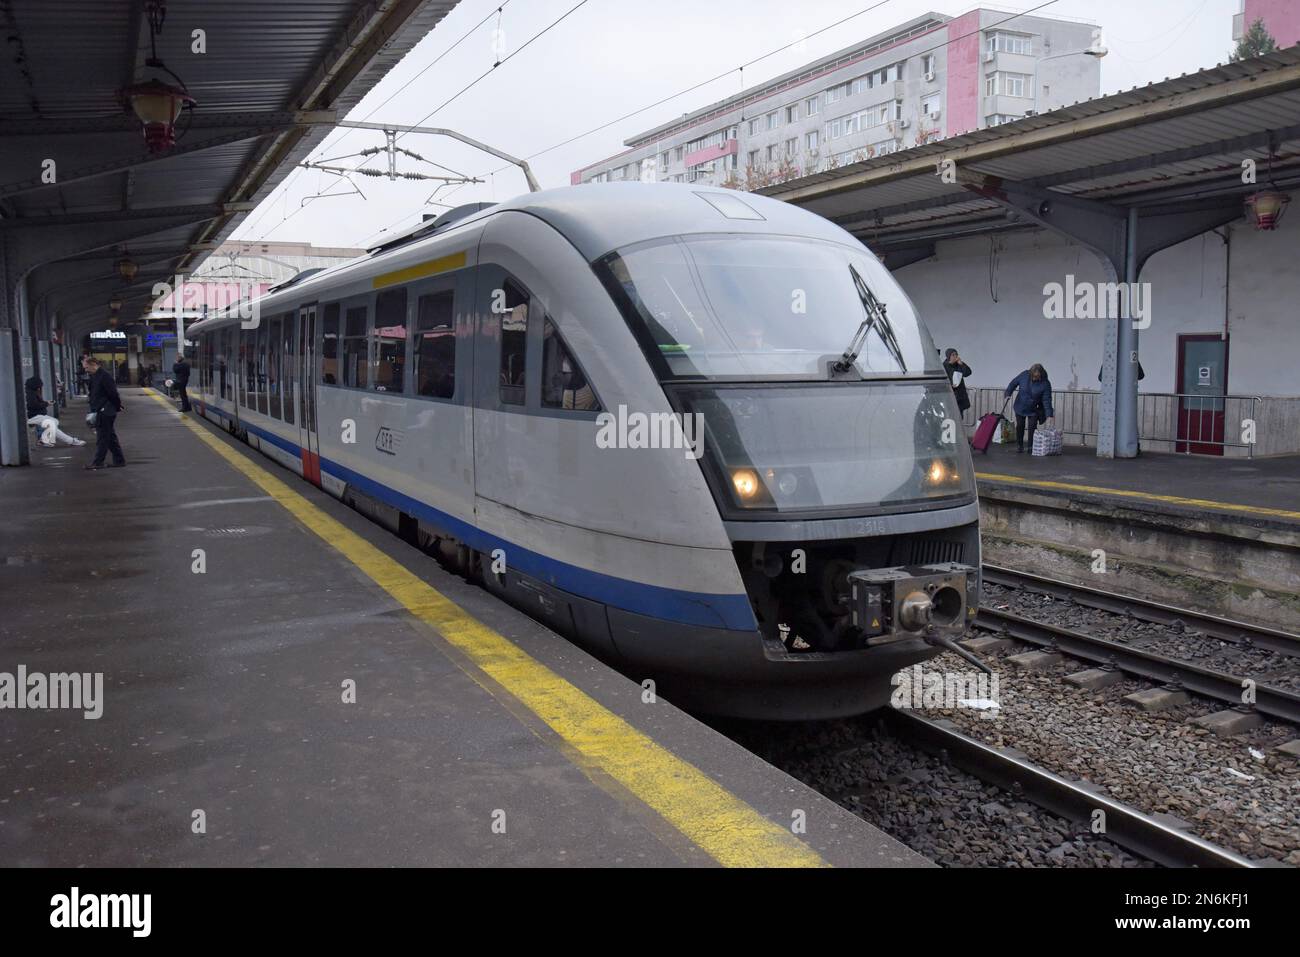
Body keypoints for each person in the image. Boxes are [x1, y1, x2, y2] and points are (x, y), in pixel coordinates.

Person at [84, 357, 126, 470]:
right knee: (110, 437)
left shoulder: (105, 376)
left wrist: (117, 406)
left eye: (87, 367)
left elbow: (113, 393)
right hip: (100, 410)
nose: (86, 370)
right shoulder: (95, 376)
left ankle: (98, 462)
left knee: (102, 437)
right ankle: (119, 460)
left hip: (106, 411)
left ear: (93, 364)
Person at [1005, 363, 1054, 454]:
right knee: (1020, 426)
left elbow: (1047, 400)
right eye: (1034, 376)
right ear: (1030, 373)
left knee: (1032, 428)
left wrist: (1049, 415)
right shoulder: (1024, 375)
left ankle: (1031, 447)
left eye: (1037, 376)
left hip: (1034, 409)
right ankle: (1019, 445)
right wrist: (1008, 394)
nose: (1035, 378)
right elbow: (1013, 383)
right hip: (1020, 406)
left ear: (1041, 375)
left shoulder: (1045, 383)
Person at [25, 375, 86, 448]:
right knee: (52, 424)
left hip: (35, 415)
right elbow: (34, 405)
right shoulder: (30, 394)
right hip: (32, 416)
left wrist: (46, 403)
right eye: (39, 387)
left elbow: (35, 404)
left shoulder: (30, 392)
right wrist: (46, 403)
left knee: (55, 421)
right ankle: (71, 441)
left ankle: (44, 440)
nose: (39, 388)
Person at [943, 348, 972, 415]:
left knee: (959, 416)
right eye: (953, 355)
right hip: (950, 396)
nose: (955, 356)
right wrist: (950, 385)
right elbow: (942, 380)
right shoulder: (944, 366)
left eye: (956, 354)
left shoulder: (959, 364)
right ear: (948, 356)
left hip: (960, 396)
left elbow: (968, 373)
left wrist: (961, 364)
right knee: (950, 415)